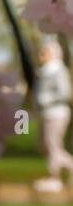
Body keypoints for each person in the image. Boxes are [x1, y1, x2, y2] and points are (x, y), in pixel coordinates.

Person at [33, 38, 73, 192]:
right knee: (43, 145)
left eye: (44, 52)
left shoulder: (58, 70)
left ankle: (53, 178)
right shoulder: (42, 71)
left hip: (57, 113)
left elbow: (64, 93)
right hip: (45, 114)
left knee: (52, 145)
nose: (41, 54)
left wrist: (46, 99)